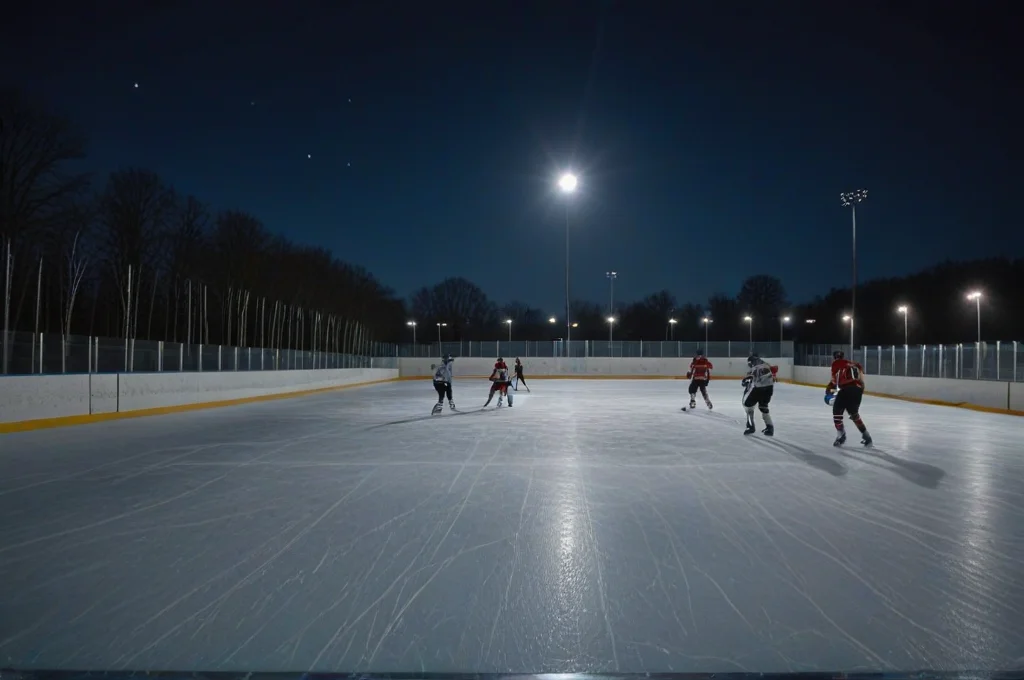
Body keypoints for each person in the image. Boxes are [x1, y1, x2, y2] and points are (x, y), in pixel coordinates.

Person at [825, 350, 872, 447]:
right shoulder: (855, 364)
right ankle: (867, 436)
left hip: (847, 388)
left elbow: (835, 381)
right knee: (854, 414)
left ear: (835, 357)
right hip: (858, 390)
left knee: (837, 411)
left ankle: (841, 435)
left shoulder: (836, 363)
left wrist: (829, 389)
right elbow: (861, 380)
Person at [741, 353, 776, 435]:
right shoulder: (766, 365)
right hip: (769, 388)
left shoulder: (754, 368)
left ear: (751, 362)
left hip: (758, 388)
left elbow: (749, 379)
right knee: (763, 407)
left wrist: (745, 382)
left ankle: (750, 426)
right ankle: (770, 427)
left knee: (748, 406)